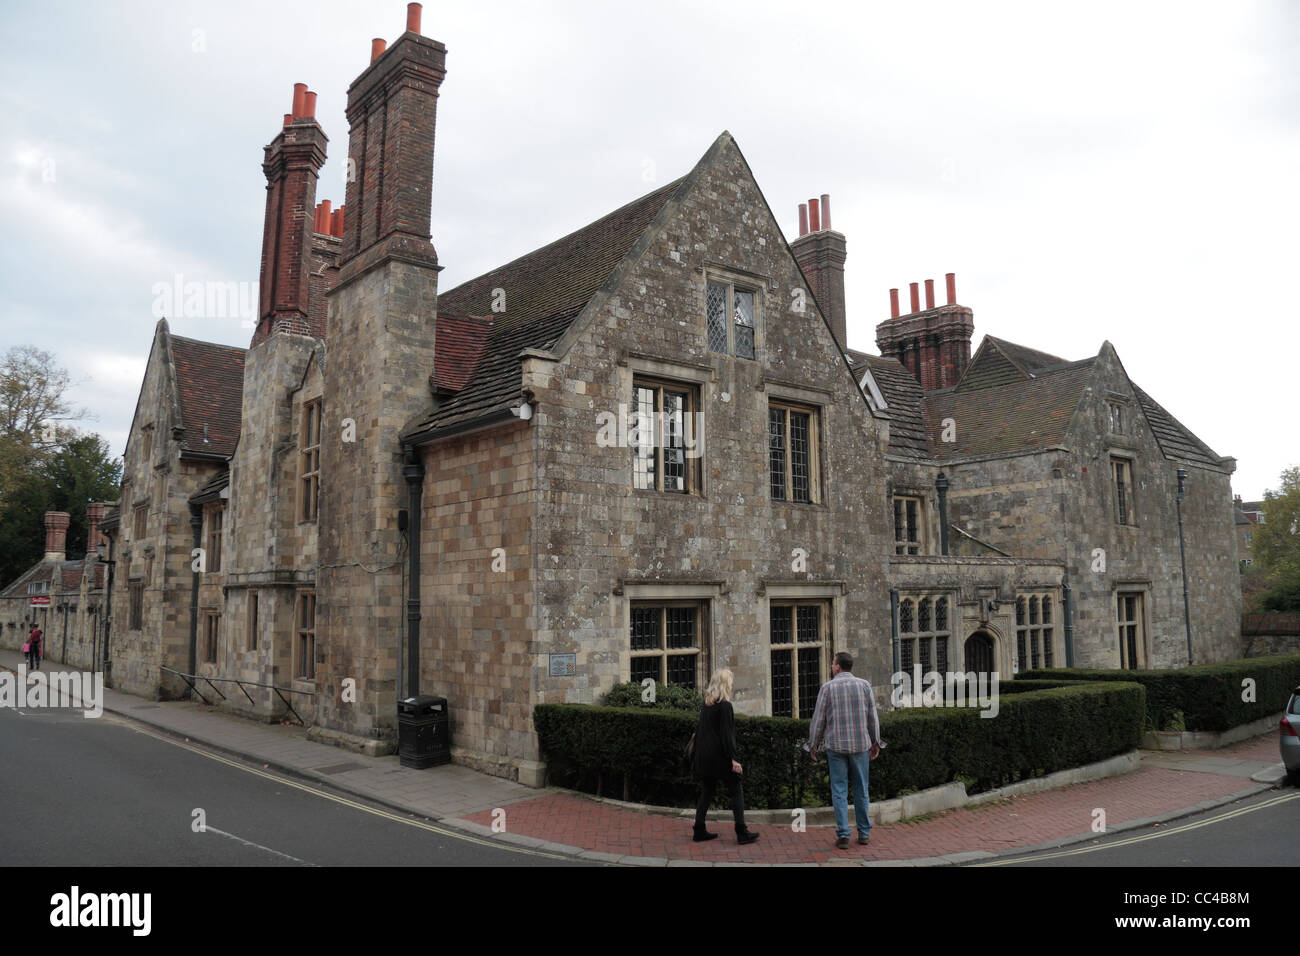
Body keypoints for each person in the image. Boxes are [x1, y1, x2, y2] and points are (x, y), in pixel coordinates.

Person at [808, 651, 884, 849]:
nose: (832, 666)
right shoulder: (864, 686)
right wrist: (876, 742)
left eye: (833, 664)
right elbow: (872, 718)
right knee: (861, 790)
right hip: (860, 745)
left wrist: (813, 745)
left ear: (837, 667)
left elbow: (818, 721)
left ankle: (843, 834)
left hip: (836, 746)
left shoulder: (827, 688)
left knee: (839, 791)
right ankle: (864, 833)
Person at [691, 668, 759, 845]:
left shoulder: (706, 704)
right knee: (736, 789)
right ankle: (741, 831)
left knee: (707, 791)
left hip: (703, 755)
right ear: (725, 684)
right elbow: (727, 735)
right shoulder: (725, 706)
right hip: (719, 757)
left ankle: (698, 829)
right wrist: (734, 759)